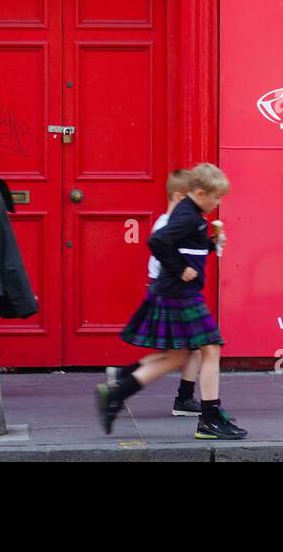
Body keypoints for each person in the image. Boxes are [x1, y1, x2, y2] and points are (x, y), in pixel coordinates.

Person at [95, 163, 246, 441]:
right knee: (211, 349)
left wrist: (211, 243)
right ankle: (210, 419)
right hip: (179, 293)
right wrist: (179, 269)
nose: (219, 202)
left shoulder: (194, 215)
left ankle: (117, 392)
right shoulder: (188, 216)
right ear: (200, 193)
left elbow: (186, 247)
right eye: (216, 197)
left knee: (176, 356)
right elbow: (158, 241)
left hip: (174, 292)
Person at [105, 169, 207, 417]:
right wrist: (182, 269)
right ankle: (181, 398)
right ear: (180, 197)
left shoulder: (178, 222)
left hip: (170, 290)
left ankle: (126, 377)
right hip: (171, 291)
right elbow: (164, 256)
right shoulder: (169, 225)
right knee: (192, 348)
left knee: (182, 350)